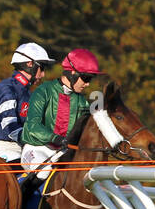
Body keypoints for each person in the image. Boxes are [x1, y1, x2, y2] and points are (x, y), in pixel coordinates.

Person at [20, 48, 99, 180]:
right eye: (86, 78)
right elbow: (32, 126)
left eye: (91, 79)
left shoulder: (82, 102)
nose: (87, 84)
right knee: (44, 172)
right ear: (72, 73)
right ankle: (21, 199)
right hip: (36, 149)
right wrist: (56, 138)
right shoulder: (43, 91)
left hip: (62, 153)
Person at [0, 42, 54, 162]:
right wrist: (38, 138)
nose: (43, 74)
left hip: (18, 147)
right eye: (42, 67)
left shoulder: (27, 92)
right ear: (30, 64)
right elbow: (10, 128)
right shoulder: (7, 88)